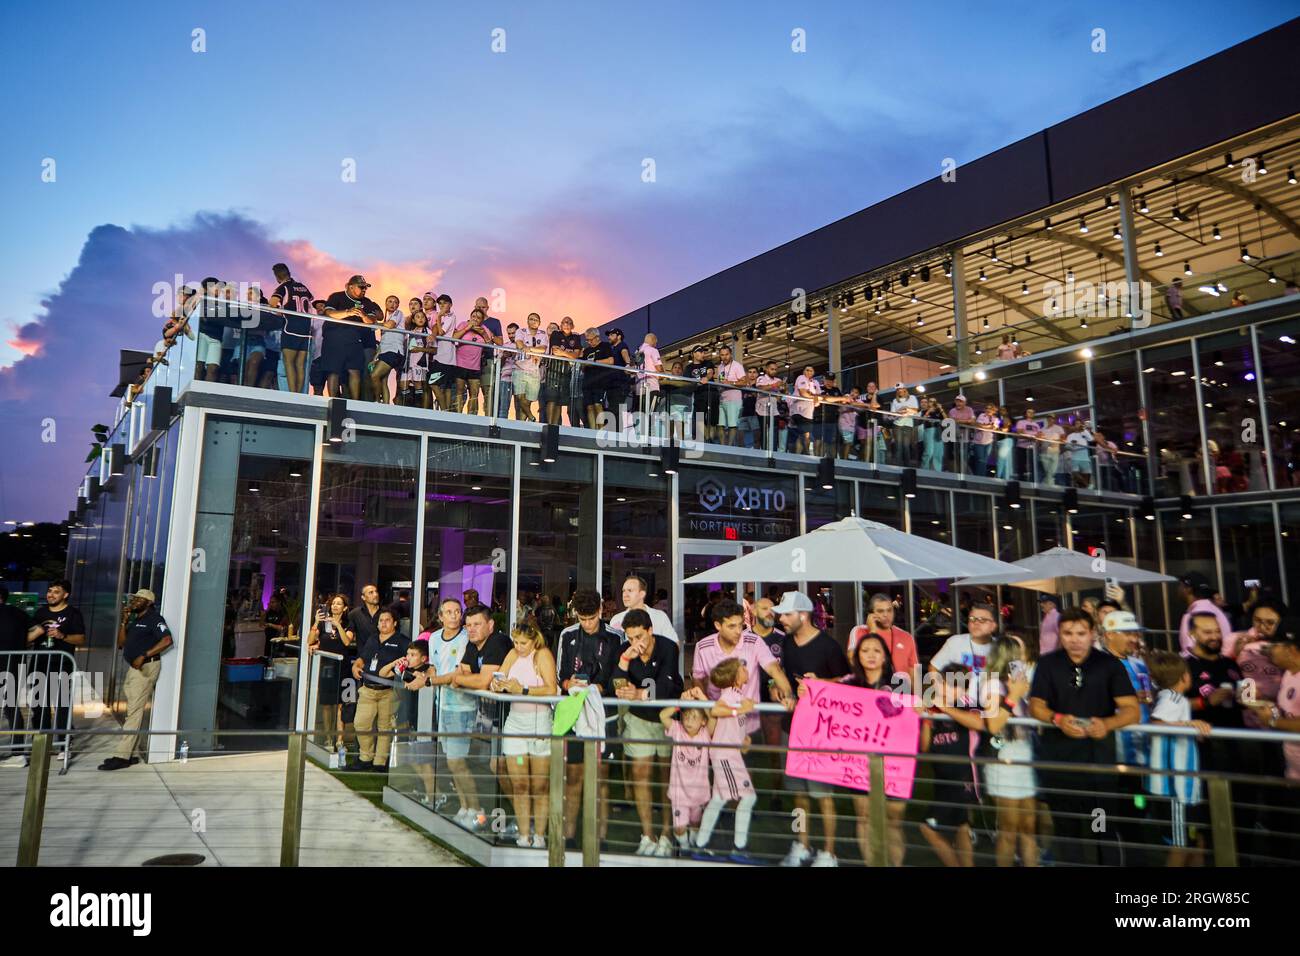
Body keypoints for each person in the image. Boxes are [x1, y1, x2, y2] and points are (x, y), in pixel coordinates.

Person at [1028, 607, 1141, 866]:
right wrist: (1057, 719)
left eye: (1080, 633)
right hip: (1060, 766)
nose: (1074, 639)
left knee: (1102, 830)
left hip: (1099, 767)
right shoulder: (1048, 664)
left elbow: (1132, 710)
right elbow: (1036, 706)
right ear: (1060, 634)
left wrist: (1107, 723)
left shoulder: (1109, 664)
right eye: (1068, 633)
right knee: (1067, 835)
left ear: (1093, 634)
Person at [775, 590, 850, 867]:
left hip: (821, 731)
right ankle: (802, 844)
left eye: (786, 614)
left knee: (822, 795)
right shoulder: (787, 644)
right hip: (791, 727)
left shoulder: (829, 647)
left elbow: (848, 683)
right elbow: (784, 676)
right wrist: (778, 691)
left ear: (803, 616)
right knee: (798, 793)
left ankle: (829, 852)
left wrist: (821, 683)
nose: (781, 619)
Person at [613, 608, 683, 856]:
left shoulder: (667, 648)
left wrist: (640, 693)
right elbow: (618, 686)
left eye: (639, 637)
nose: (636, 643)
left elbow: (667, 686)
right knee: (640, 775)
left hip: (666, 719)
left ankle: (666, 833)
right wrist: (624, 662)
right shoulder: (628, 653)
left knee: (666, 779)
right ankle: (648, 835)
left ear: (650, 631)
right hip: (639, 719)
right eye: (630, 638)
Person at [555, 589, 623, 842]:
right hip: (574, 712)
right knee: (572, 775)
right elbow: (559, 674)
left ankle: (599, 835)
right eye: (582, 619)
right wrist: (567, 683)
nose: (587, 624)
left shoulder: (616, 637)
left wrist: (601, 687)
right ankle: (568, 832)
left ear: (601, 611)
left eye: (591, 618)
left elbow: (619, 675)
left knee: (601, 777)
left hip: (604, 713)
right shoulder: (567, 635)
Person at [490, 617, 558, 848]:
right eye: (515, 642)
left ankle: (539, 835)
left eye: (522, 643)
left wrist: (523, 689)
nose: (518, 647)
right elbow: (498, 677)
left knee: (540, 785)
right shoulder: (512, 654)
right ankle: (524, 833)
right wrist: (497, 685)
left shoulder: (543, 655)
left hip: (539, 724)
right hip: (515, 724)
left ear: (533, 640)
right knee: (519, 784)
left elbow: (551, 689)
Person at [842, 632, 907, 866]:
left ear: (885, 656)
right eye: (865, 650)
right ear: (857, 656)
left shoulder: (900, 684)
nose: (870, 655)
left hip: (895, 763)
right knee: (865, 817)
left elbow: (908, 722)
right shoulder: (849, 684)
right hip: (859, 763)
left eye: (876, 650)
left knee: (892, 820)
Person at [448, 604, 513, 828]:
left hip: (511, 717)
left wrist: (464, 679)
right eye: (468, 625)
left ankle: (520, 817)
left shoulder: (498, 642)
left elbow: (481, 681)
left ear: (491, 625)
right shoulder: (473, 645)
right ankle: (488, 813)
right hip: (487, 717)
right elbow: (461, 673)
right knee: (488, 765)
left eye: (477, 624)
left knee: (503, 768)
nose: (472, 629)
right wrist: (466, 678)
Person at [692, 599, 794, 741]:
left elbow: (774, 670)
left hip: (750, 726)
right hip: (717, 724)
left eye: (740, 625)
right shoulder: (703, 647)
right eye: (731, 626)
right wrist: (706, 710)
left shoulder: (754, 642)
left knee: (755, 761)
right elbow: (698, 678)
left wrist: (788, 694)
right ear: (718, 625)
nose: (738, 631)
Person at [1145, 651, 1212, 866]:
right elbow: (1156, 724)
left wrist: (1191, 732)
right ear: (1184, 676)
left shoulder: (1172, 698)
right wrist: (1188, 725)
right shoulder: (1173, 698)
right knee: (1180, 845)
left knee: (1194, 841)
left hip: (1183, 788)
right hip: (1176, 789)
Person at [691, 657, 759, 862]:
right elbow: (716, 710)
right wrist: (740, 710)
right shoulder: (730, 695)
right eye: (742, 668)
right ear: (736, 676)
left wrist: (743, 737)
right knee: (748, 797)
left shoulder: (737, 694)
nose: (746, 670)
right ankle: (739, 848)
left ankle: (700, 845)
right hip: (725, 756)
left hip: (729, 753)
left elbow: (732, 723)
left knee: (718, 800)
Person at [99, 590, 173, 770]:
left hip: (146, 667)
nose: (135, 601)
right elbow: (122, 643)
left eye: (140, 599)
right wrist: (124, 621)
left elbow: (167, 640)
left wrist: (144, 655)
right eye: (135, 598)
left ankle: (122, 756)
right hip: (134, 669)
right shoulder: (136, 620)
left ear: (149, 603)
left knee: (134, 712)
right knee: (133, 710)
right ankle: (130, 753)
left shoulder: (155, 619)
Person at [920, 663, 986, 867]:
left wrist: (946, 708)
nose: (947, 689)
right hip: (942, 780)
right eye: (944, 684)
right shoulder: (934, 709)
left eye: (954, 685)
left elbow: (978, 723)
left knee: (928, 827)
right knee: (962, 827)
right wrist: (927, 722)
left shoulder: (968, 703)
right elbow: (924, 748)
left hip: (965, 778)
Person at [982, 635, 1038, 867]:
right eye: (1020, 652)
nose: (1025, 657)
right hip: (1004, 760)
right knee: (1008, 828)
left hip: (1026, 756)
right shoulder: (993, 684)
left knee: (1028, 826)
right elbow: (993, 725)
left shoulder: (1022, 681)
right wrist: (1014, 696)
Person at [27, 579, 86, 754]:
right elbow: (30, 636)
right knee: (38, 705)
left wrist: (62, 635)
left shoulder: (73, 613)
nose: (51, 594)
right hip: (39, 665)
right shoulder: (40, 613)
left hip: (61, 665)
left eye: (56, 592)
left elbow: (81, 639)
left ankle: (63, 744)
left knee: (61, 705)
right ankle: (42, 742)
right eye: (50, 591)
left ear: (65, 595)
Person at [350, 609, 410, 773]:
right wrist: (356, 665)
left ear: (395, 623)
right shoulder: (373, 639)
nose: (383, 623)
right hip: (368, 689)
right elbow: (364, 658)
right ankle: (365, 758)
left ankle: (380, 761)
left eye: (387, 620)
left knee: (385, 728)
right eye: (381, 620)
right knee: (361, 723)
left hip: (389, 691)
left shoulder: (402, 641)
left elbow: (410, 661)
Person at [1098, 610, 1153, 769]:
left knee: (1141, 792)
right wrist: (1127, 698)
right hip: (1114, 746)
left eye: (1136, 634)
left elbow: (1149, 696)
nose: (1134, 639)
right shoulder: (1097, 665)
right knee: (1124, 791)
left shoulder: (1139, 664)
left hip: (1143, 744)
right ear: (1110, 634)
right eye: (1128, 634)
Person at [658, 701, 713, 853]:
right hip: (679, 793)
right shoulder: (677, 730)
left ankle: (695, 846)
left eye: (694, 717)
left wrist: (703, 703)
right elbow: (663, 715)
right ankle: (685, 847)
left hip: (699, 793)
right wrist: (679, 704)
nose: (688, 721)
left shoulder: (704, 734)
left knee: (696, 823)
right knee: (680, 827)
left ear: (703, 721)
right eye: (686, 716)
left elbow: (713, 719)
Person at [307, 593, 357, 754]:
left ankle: (340, 739)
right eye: (333, 604)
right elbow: (309, 641)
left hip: (342, 667)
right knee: (327, 704)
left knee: (341, 705)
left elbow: (347, 641)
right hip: (326, 666)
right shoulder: (323, 623)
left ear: (345, 608)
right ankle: (328, 738)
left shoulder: (349, 623)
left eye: (338, 604)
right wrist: (316, 621)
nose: (335, 606)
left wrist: (338, 625)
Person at [928, 601, 999, 706]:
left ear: (993, 626)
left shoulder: (1001, 647)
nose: (976, 623)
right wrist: (942, 691)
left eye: (982, 620)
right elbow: (933, 667)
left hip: (990, 705)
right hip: (957, 706)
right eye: (972, 619)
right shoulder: (955, 642)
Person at [321, 275, 381, 400]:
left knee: (355, 370)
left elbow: (372, 320)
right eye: (361, 287)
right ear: (350, 286)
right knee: (334, 371)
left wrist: (363, 315)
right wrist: (348, 312)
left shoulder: (367, 302)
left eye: (365, 288)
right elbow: (329, 313)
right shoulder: (336, 296)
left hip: (355, 340)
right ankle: (333, 400)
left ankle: (355, 402)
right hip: (334, 339)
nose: (364, 290)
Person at [849, 591, 920, 695]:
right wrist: (872, 632)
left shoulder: (906, 637)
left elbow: (914, 673)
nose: (886, 615)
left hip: (901, 695)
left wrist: (920, 700)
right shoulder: (858, 631)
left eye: (889, 610)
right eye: (881, 611)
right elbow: (853, 662)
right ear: (871, 614)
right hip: (870, 693)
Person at [271, 263, 314, 394]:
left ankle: (293, 394)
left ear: (277, 277)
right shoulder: (303, 287)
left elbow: (272, 303)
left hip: (291, 327)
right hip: (306, 330)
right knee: (300, 365)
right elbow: (310, 300)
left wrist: (280, 310)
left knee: (289, 362)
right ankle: (299, 394)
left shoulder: (283, 287)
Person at [0, 587, 31, 762]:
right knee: (12, 707)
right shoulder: (19, 614)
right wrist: (20, 645)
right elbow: (39, 630)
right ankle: (17, 751)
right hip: (14, 664)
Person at [609, 574, 680, 647]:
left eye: (630, 590)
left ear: (642, 594)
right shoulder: (616, 619)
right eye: (623, 591)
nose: (625, 595)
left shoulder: (659, 617)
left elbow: (674, 644)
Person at [1176, 571, 1233, 655]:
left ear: (1188, 589)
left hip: (1205, 666)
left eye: (1180, 585)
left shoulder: (1198, 614)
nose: (1178, 589)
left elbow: (1192, 651)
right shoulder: (1212, 608)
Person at [544, 316, 582, 426]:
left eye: (569, 322)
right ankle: (549, 426)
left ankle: (555, 427)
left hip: (567, 371)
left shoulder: (576, 337)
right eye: (564, 322)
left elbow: (576, 356)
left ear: (573, 325)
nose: (566, 324)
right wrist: (569, 354)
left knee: (560, 401)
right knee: (552, 399)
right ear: (560, 325)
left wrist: (564, 352)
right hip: (554, 370)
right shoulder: (556, 334)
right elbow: (555, 351)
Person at [452, 307, 491, 414]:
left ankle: (471, 417)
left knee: (474, 394)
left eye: (478, 318)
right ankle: (458, 415)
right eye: (473, 316)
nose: (475, 319)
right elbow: (454, 337)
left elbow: (490, 345)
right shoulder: (463, 324)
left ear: (482, 320)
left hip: (475, 366)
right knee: (459, 392)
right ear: (470, 317)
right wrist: (467, 329)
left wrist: (483, 334)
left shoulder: (484, 329)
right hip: (460, 364)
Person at [370, 295, 406, 404]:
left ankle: (377, 401)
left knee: (374, 375)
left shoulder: (398, 313)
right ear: (385, 304)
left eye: (395, 302)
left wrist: (376, 324)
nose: (392, 304)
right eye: (390, 301)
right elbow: (382, 342)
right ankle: (386, 405)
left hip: (394, 351)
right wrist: (375, 358)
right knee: (383, 380)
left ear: (398, 305)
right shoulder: (386, 319)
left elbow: (390, 325)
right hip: (385, 351)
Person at [513, 312, 548, 422]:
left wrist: (529, 350)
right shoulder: (521, 331)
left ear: (539, 323)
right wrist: (534, 351)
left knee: (528, 401)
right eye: (531, 319)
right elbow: (519, 344)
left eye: (536, 319)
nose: (533, 321)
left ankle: (522, 424)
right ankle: (531, 417)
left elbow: (542, 349)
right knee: (520, 397)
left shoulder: (543, 334)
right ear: (527, 321)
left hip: (534, 371)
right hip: (520, 369)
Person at [580, 327, 616, 429]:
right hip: (587, 382)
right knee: (589, 407)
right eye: (587, 340)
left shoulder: (605, 346)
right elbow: (582, 367)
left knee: (598, 405)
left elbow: (611, 361)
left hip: (600, 381)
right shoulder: (587, 350)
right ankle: (592, 431)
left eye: (591, 339)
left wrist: (595, 362)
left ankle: (601, 430)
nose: (589, 342)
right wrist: (584, 364)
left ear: (597, 337)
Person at [428, 294, 460, 412]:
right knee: (446, 387)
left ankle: (444, 410)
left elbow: (441, 332)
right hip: (442, 355)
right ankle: (446, 412)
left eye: (444, 303)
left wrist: (439, 316)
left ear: (450, 305)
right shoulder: (443, 316)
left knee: (433, 383)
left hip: (445, 357)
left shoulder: (451, 316)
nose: (442, 305)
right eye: (440, 303)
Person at [400, 307, 432, 408]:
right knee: (403, 385)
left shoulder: (428, 332)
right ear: (413, 320)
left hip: (420, 364)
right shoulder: (411, 332)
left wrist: (420, 349)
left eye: (423, 317)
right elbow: (407, 346)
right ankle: (408, 405)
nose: (420, 319)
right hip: (408, 363)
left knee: (418, 384)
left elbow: (433, 350)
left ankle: (418, 407)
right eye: (418, 317)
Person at [790, 366, 820, 454]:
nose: (809, 372)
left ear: (813, 372)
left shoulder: (815, 382)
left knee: (803, 435)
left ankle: (800, 454)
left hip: (809, 412)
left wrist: (814, 397)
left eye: (811, 370)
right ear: (803, 371)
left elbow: (819, 395)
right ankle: (804, 454)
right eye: (807, 370)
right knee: (804, 435)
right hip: (799, 411)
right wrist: (813, 397)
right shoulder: (801, 378)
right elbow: (802, 393)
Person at [889, 385, 919, 466]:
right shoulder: (895, 400)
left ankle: (907, 466)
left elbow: (916, 410)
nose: (899, 391)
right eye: (897, 390)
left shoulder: (912, 397)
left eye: (900, 389)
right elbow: (892, 414)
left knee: (906, 446)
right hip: (897, 424)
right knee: (898, 446)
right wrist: (899, 411)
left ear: (905, 389)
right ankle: (898, 467)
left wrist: (906, 408)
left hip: (908, 425)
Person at [1013, 407, 1042, 482]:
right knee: (1021, 465)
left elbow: (1040, 435)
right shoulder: (1021, 422)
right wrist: (1031, 436)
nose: (1031, 413)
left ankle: (1033, 481)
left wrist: (1034, 438)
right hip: (1022, 446)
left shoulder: (1036, 424)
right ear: (1025, 414)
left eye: (1033, 412)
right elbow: (1019, 433)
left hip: (1032, 448)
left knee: (1032, 466)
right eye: (1029, 412)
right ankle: (1021, 481)